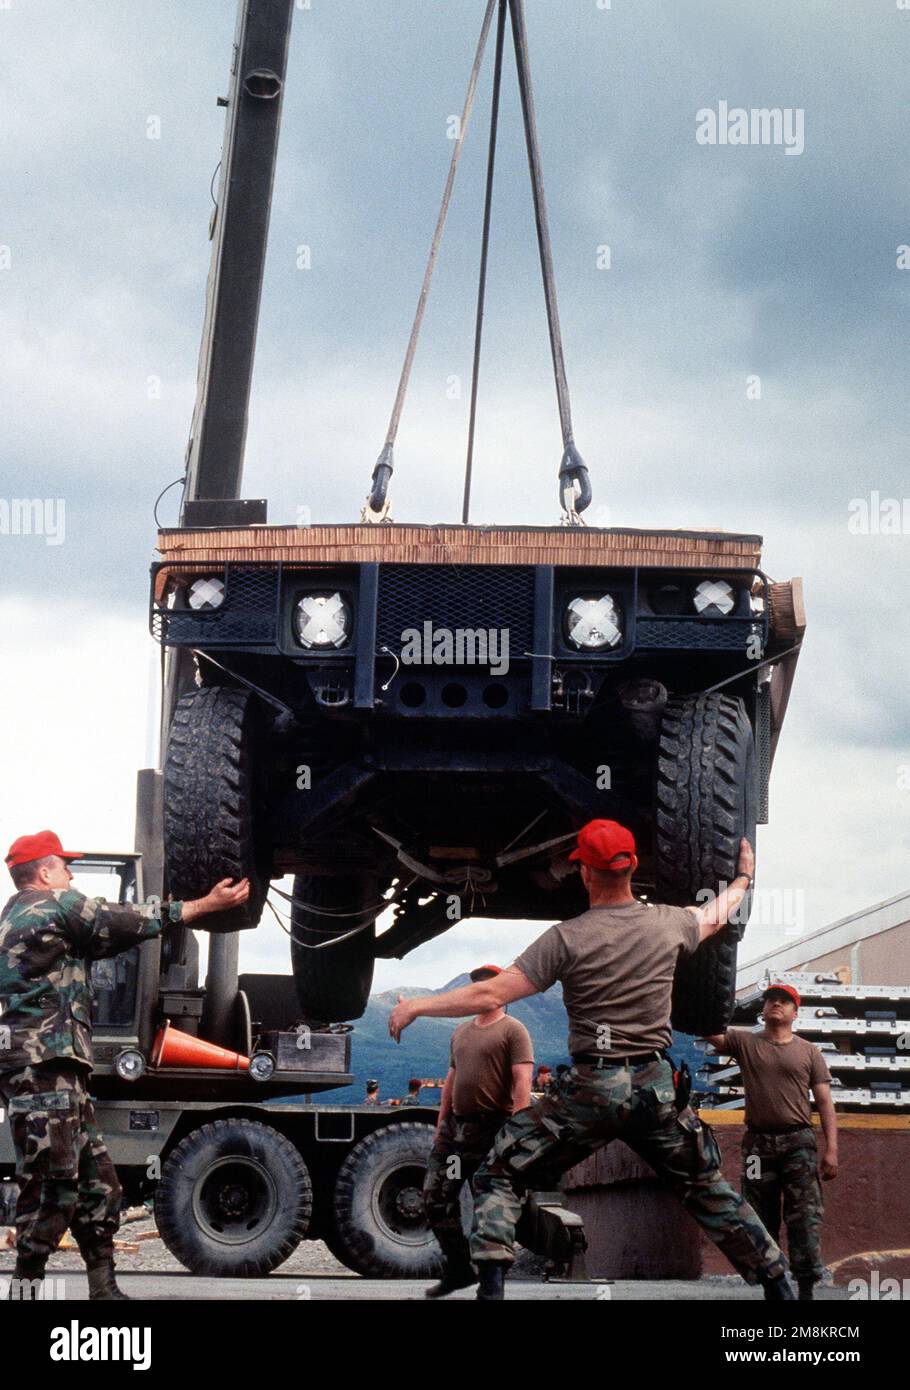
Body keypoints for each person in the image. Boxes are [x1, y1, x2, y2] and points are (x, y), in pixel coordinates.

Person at [390, 818, 795, 1301]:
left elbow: (493, 993)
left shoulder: (566, 939)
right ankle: (778, 1284)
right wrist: (744, 880)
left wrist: (417, 1005)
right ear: (633, 866)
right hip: (655, 1088)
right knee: (706, 1187)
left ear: (583, 872)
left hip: (591, 1091)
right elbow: (715, 915)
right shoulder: (669, 923)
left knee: (499, 1172)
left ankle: (491, 1288)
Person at [0, 830, 249, 1300]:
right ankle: (26, 1288)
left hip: (51, 1068)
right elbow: (120, 919)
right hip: (44, 1066)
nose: (71, 874)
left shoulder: (19, 917)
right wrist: (200, 907)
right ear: (45, 871)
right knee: (54, 1180)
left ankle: (104, 1289)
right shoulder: (54, 905)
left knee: (97, 1180)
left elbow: (101, 941)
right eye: (65, 865)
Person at [705, 983, 837, 1301]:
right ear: (763, 1011)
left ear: (795, 1012)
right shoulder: (745, 1042)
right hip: (757, 1147)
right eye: (771, 1001)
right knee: (758, 1220)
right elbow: (712, 1035)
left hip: (799, 1144)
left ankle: (805, 1291)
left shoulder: (809, 1051)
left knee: (804, 1217)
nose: (776, 1004)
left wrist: (832, 1149)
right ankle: (774, 1291)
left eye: (784, 1001)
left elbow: (824, 1102)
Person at [422, 965, 533, 1298]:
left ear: (500, 990)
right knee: (436, 1196)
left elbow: (522, 1084)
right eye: (477, 984)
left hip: (493, 1131)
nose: (481, 989)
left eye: (488, 984)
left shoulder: (514, 1031)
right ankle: (458, 1268)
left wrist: (515, 1133)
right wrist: (442, 1124)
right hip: (457, 1134)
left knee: (491, 1206)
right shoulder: (461, 1032)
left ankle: (491, 1288)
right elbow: (451, 1081)